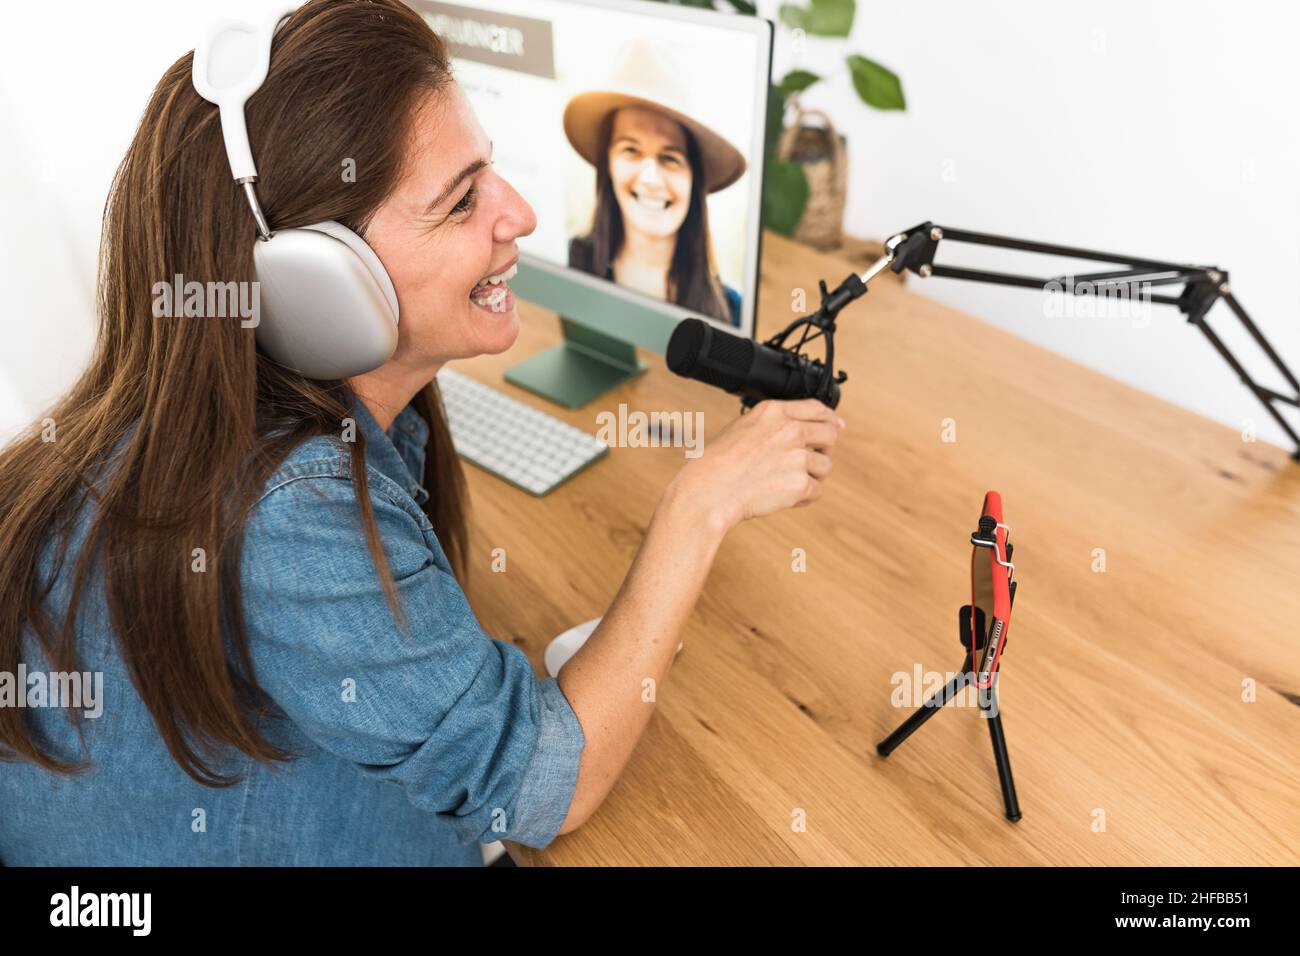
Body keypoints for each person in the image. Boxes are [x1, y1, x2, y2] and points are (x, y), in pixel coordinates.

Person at [0, 0, 841, 866]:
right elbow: (546, 787)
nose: (519, 215)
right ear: (314, 283)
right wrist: (699, 506)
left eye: (493, 171)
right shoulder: (290, 514)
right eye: (461, 201)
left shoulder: (220, 414)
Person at [564, 42, 745, 326]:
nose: (649, 178)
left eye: (670, 158)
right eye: (631, 150)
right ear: (608, 163)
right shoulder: (567, 265)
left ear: (694, 179)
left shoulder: (732, 312)